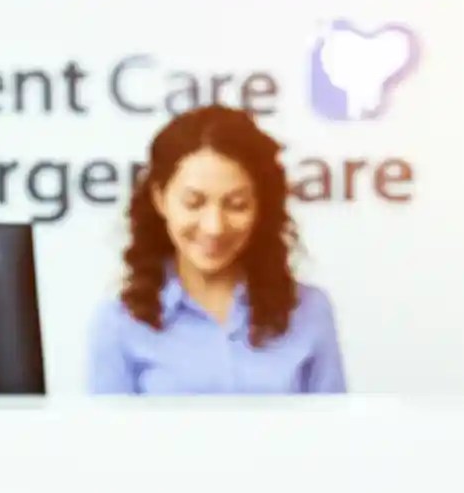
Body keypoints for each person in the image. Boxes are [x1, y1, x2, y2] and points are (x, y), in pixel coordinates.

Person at [87, 104, 347, 395]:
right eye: (194, 203)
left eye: (236, 205)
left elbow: (333, 436)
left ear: (261, 205)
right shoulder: (121, 323)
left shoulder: (310, 311)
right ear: (160, 199)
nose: (214, 227)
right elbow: (107, 440)